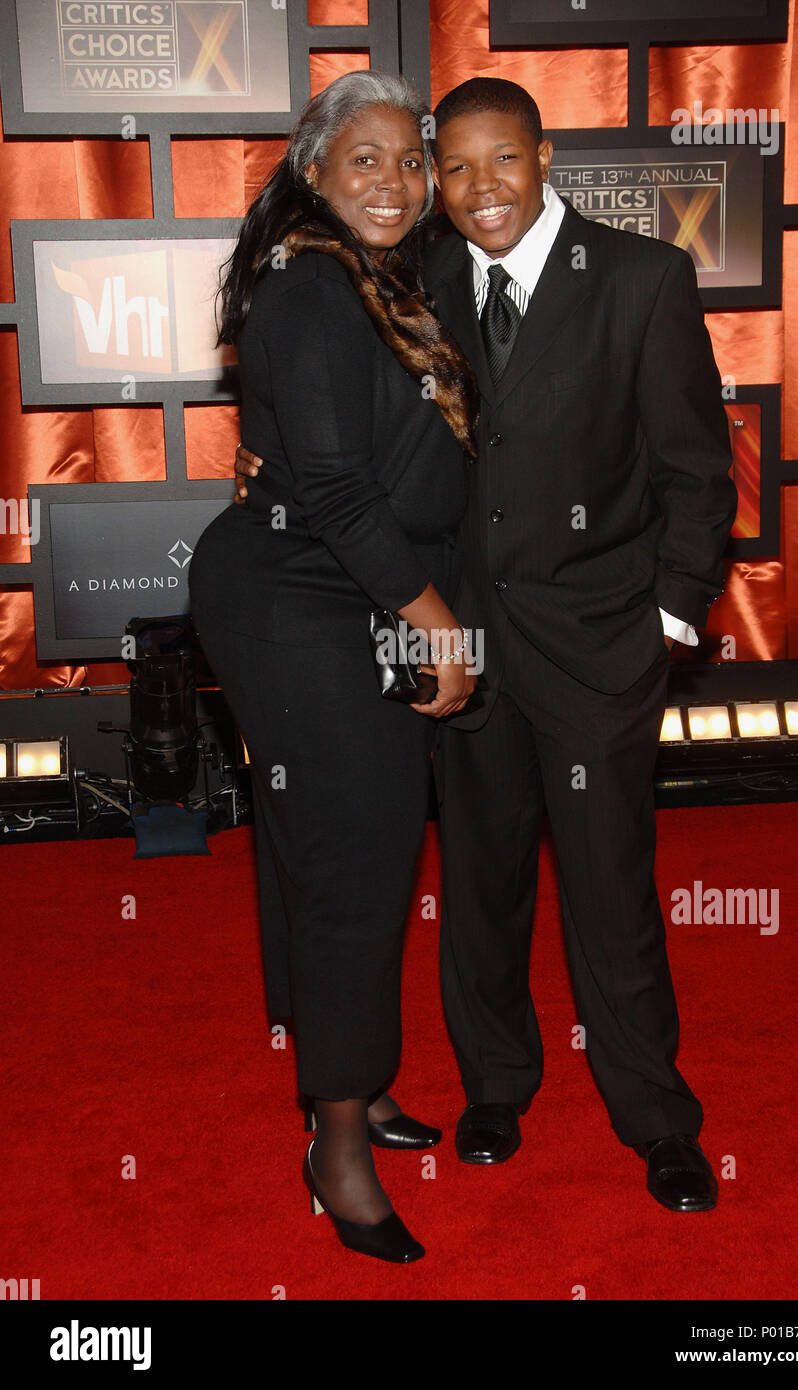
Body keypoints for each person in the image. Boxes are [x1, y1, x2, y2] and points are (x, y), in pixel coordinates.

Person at [235, 77, 738, 1214]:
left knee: (609, 889)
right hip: (465, 640)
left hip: (601, 642)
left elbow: (696, 471)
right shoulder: (412, 282)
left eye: (498, 161)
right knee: (479, 884)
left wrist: (664, 620)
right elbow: (342, 429)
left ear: (542, 155)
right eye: (450, 168)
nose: (474, 190)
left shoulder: (638, 278)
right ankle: (495, 1089)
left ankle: (655, 1116)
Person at [189, 70, 478, 1264]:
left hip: (349, 584)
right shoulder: (308, 292)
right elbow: (345, 494)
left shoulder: (398, 281)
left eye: (409, 160)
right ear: (313, 171)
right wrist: (437, 625)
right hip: (296, 601)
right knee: (356, 858)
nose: (396, 181)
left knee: (342, 846)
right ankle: (337, 1143)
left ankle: (343, 1081)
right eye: (364, 160)